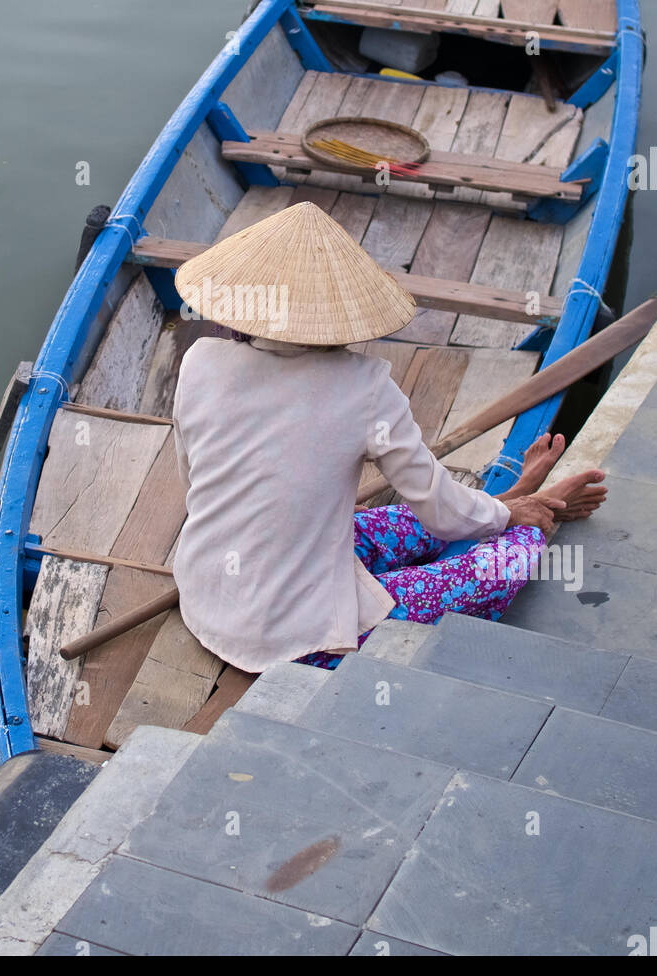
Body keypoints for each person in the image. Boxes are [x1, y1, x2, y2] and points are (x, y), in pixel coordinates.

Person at [170, 201, 606, 674]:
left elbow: (193, 478)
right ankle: (536, 515)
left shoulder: (200, 360)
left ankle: (511, 500)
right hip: (292, 637)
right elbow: (438, 508)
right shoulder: (366, 388)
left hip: (204, 594)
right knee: (503, 563)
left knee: (378, 522)